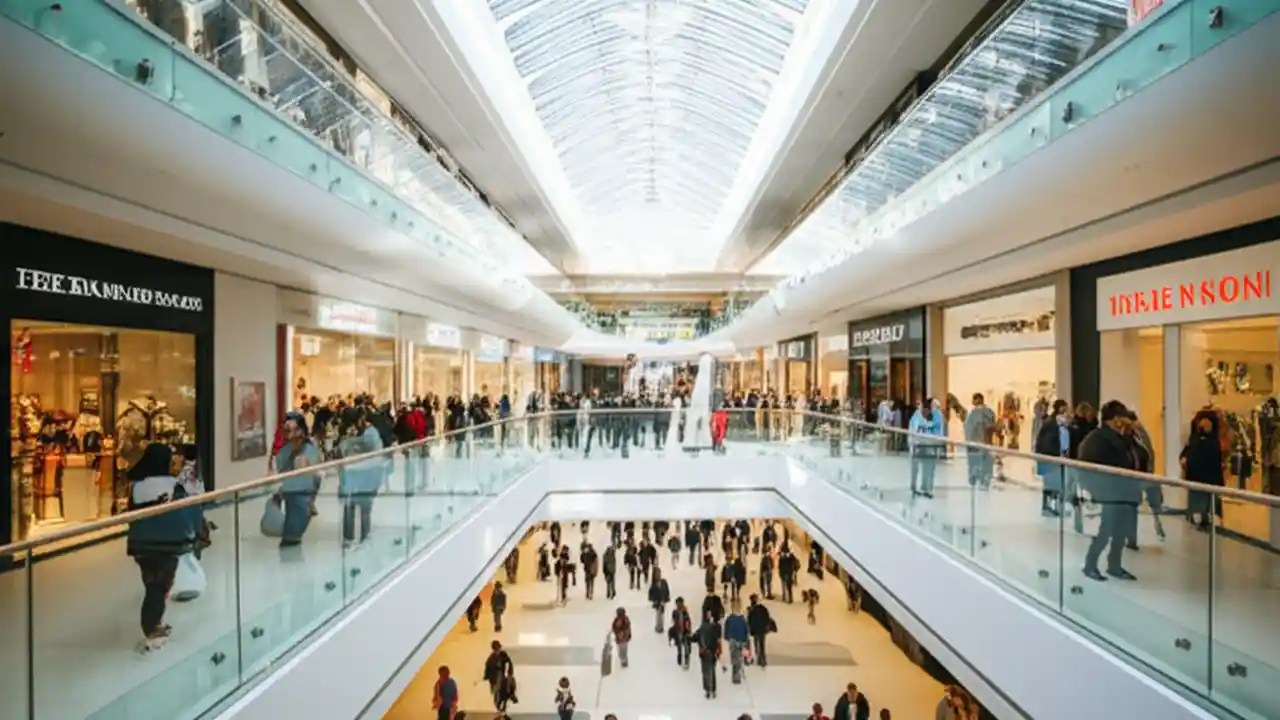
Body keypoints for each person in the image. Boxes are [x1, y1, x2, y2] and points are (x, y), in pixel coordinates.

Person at [126, 442, 200, 652]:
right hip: (167, 543)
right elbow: (188, 511)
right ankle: (151, 627)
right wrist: (196, 534)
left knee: (152, 583)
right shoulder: (174, 485)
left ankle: (154, 622)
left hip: (141, 545)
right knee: (160, 585)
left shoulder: (137, 486)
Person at [1079, 400, 1141, 582]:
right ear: (1114, 419)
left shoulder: (1120, 437)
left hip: (1123, 491)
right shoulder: (1098, 439)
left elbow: (1136, 456)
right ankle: (1090, 564)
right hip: (1110, 492)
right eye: (1122, 418)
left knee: (1120, 530)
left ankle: (1114, 564)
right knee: (1107, 529)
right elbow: (1088, 466)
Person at [336, 407, 385, 547]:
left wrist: (350, 440)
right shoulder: (347, 436)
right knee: (349, 506)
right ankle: (349, 538)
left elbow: (371, 449)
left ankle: (364, 537)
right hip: (352, 475)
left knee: (364, 506)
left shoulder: (370, 434)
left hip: (367, 475)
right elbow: (341, 456)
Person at [274, 412, 322, 548]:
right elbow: (281, 471)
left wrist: (312, 499)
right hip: (290, 495)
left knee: (292, 535)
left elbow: (316, 475)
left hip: (302, 496)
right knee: (290, 534)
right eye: (286, 428)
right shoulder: (285, 451)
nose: (288, 431)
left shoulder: (309, 450)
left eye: (292, 428)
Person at [1184, 406, 1226, 530]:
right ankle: (1201, 517)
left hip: (1209, 475)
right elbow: (1190, 450)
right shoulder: (1196, 438)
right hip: (1197, 476)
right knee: (1199, 498)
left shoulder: (1213, 440)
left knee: (1210, 499)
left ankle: (1209, 518)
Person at [1034, 399, 1071, 516]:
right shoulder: (1053, 423)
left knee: (1053, 483)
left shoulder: (1053, 422)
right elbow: (1049, 441)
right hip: (1052, 457)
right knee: (1052, 483)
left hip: (1053, 457)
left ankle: (1052, 506)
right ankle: (1049, 507)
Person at [909, 398, 946, 498]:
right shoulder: (934, 415)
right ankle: (923, 488)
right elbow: (939, 433)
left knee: (925, 468)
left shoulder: (922, 414)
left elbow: (913, 429)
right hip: (925, 445)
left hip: (925, 445)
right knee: (926, 468)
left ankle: (922, 488)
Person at [963, 393, 997, 489]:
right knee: (982, 463)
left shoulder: (976, 413)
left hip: (977, 443)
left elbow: (990, 426)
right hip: (980, 443)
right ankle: (982, 480)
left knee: (977, 462)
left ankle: (978, 480)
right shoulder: (986, 412)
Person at [695, 612, 722, 699]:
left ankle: (708, 690)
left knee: (705, 671)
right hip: (711, 652)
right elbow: (718, 640)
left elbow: (696, 636)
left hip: (705, 652)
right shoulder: (715, 627)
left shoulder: (703, 627)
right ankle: (712, 689)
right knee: (711, 671)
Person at [483, 640, 514, 707]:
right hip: (494, 676)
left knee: (511, 681)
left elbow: (509, 662)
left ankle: (511, 694)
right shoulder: (491, 659)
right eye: (496, 649)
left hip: (502, 674)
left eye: (498, 649)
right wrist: (485, 677)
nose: (498, 650)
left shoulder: (503, 654)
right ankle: (498, 702)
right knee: (497, 689)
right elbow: (487, 669)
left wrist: (510, 671)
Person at [724, 604, 749, 684]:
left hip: (732, 640)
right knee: (739, 657)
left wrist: (727, 637)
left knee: (734, 657)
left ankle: (735, 675)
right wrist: (746, 640)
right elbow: (746, 631)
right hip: (741, 641)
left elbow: (726, 628)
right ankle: (737, 675)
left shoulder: (729, 618)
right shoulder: (743, 619)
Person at [747, 594, 773, 667]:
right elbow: (767, 617)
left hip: (756, 630)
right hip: (762, 629)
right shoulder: (762, 608)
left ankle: (759, 658)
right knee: (762, 645)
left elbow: (749, 621)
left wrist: (750, 630)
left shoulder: (751, 610)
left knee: (757, 644)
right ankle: (763, 659)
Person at [670, 596, 694, 669]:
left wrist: (689, 630)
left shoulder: (685, 612)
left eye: (680, 604)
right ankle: (680, 657)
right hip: (679, 631)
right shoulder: (675, 612)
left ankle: (686, 660)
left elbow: (688, 622)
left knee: (686, 646)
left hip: (685, 632)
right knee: (680, 646)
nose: (679, 605)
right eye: (678, 604)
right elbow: (674, 621)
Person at [649, 567, 671, 633]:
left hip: (663, 600)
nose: (658, 575)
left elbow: (667, 591)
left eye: (659, 573)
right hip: (657, 602)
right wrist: (654, 600)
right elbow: (651, 594)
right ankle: (659, 627)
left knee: (661, 612)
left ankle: (660, 626)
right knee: (659, 613)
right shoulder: (653, 585)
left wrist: (666, 598)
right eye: (656, 574)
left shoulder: (664, 582)